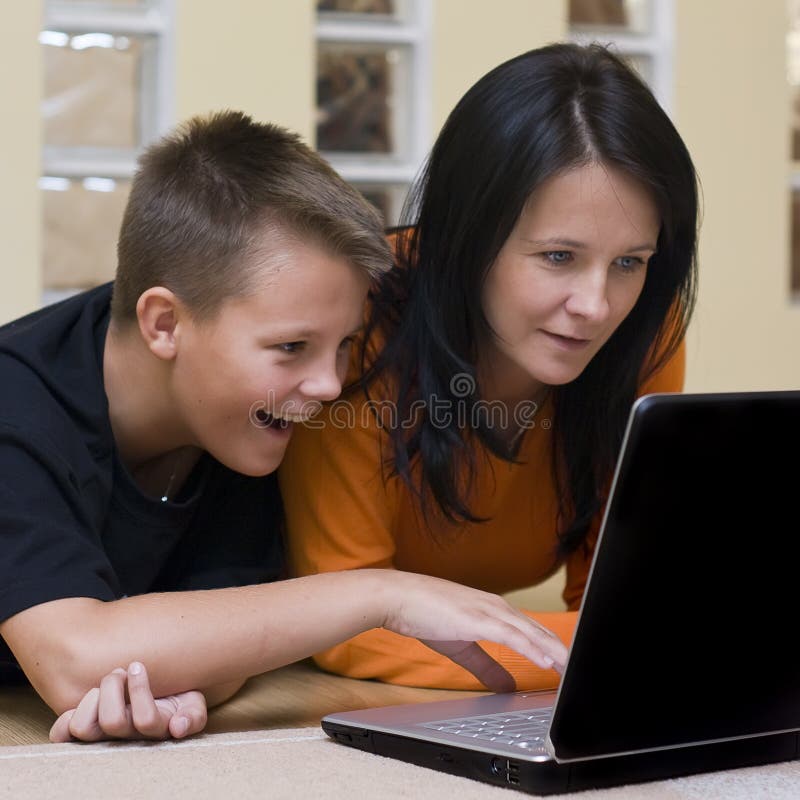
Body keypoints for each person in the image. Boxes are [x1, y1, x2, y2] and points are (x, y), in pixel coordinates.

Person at [0, 110, 568, 743]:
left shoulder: (235, 422)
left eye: (344, 343)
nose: (329, 386)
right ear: (164, 324)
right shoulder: (15, 409)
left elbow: (230, 628)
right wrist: (382, 595)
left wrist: (176, 681)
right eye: (292, 347)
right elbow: (75, 658)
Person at [278, 42, 699, 691]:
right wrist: (642, 651)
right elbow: (346, 622)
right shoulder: (358, 325)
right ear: (467, 236)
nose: (596, 306)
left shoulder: (643, 329)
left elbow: (616, 600)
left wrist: (635, 643)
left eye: (629, 262)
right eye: (558, 257)